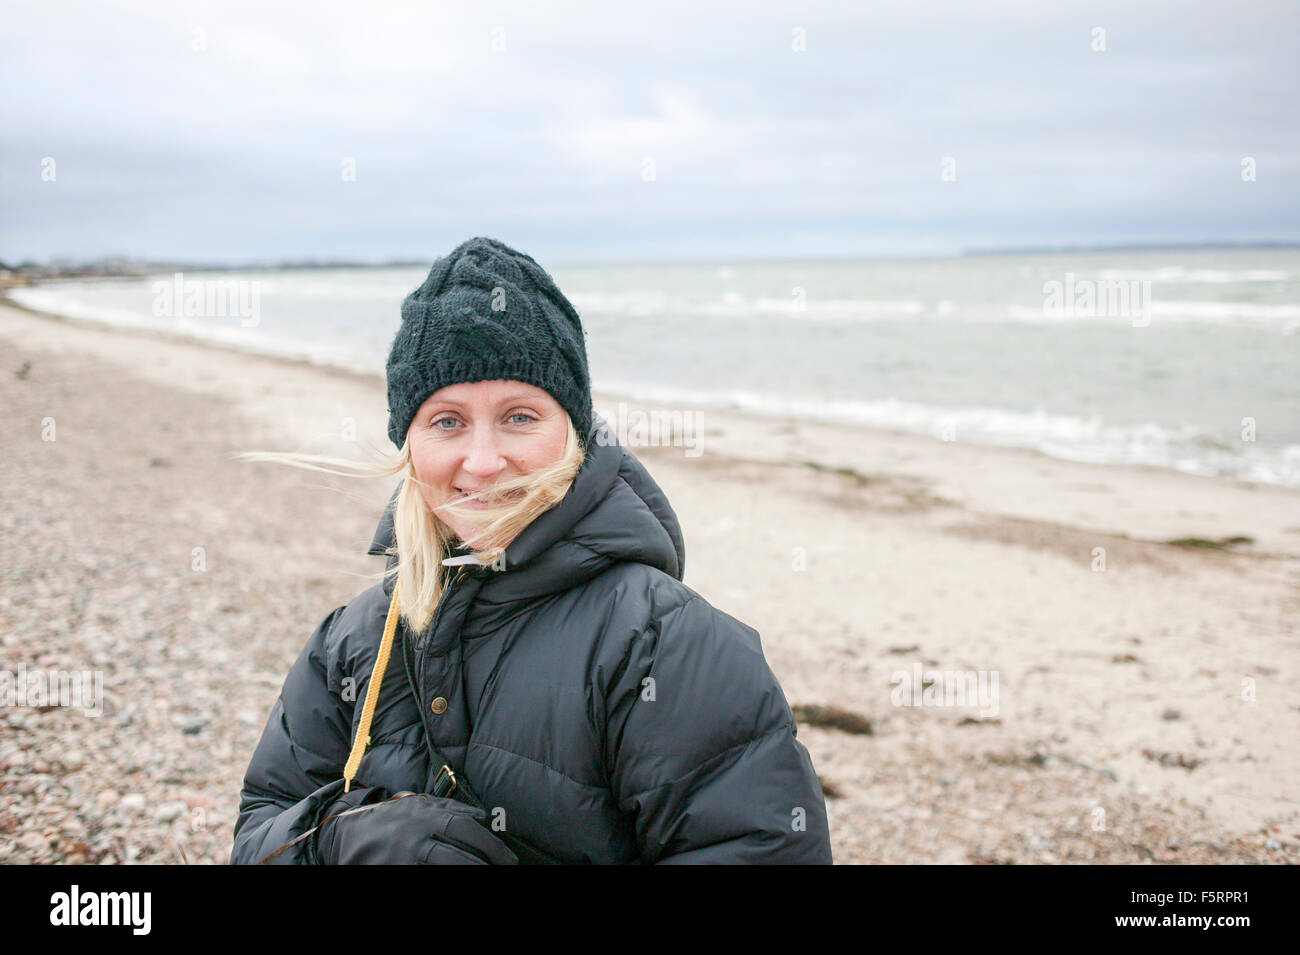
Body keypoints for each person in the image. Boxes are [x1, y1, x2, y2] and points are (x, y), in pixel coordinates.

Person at [229, 236, 833, 864]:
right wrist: (350, 840)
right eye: (447, 421)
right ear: (408, 443)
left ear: (572, 431)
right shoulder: (353, 641)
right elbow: (258, 832)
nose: (484, 462)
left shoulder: (664, 642)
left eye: (520, 416)